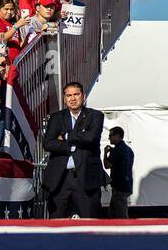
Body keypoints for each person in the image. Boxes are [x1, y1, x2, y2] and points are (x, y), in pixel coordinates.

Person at [41, 80, 106, 218]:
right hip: (60, 178)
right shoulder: (56, 117)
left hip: (86, 176)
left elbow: (91, 138)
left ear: (83, 96)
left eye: (76, 94)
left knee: (90, 221)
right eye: (69, 95)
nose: (73, 98)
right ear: (64, 99)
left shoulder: (95, 116)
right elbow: (48, 144)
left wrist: (65, 136)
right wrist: (74, 143)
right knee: (57, 222)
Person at [104, 126, 134, 218]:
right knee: (113, 212)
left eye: (111, 135)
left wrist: (105, 153)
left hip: (119, 186)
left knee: (120, 213)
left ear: (117, 135)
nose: (109, 138)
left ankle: (125, 230)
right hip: (127, 184)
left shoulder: (117, 149)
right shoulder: (129, 150)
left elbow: (107, 165)